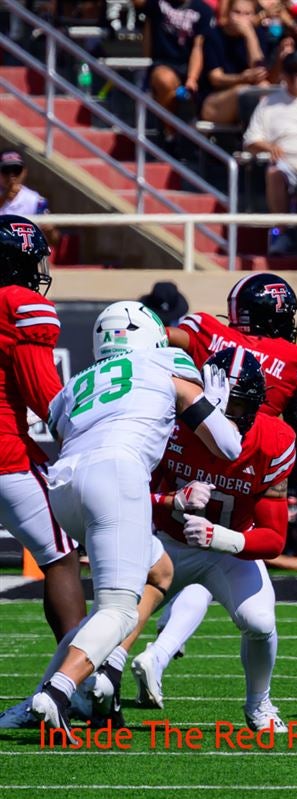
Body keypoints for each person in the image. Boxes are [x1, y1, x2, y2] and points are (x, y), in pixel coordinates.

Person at [29, 301, 243, 732]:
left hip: (65, 485)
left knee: (159, 570)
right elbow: (229, 447)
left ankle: (104, 677)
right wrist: (213, 405)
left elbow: (60, 429)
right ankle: (57, 692)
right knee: (120, 610)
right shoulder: (167, 361)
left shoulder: (76, 383)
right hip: (116, 474)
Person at [103, 348, 296, 732]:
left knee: (259, 622)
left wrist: (220, 537)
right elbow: (127, 493)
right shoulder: (168, 424)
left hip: (225, 550)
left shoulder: (273, 439)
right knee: (112, 615)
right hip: (166, 545)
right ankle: (70, 689)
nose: (231, 416)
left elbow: (274, 539)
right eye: (225, 405)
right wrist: (173, 501)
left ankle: (259, 703)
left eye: (241, 406)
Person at [0, 217, 86, 730]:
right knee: (60, 556)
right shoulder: (19, 303)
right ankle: (82, 678)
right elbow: (42, 393)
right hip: (6, 455)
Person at [170, 273, 297, 451]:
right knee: (282, 437)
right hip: (248, 457)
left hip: (188, 446)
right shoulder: (296, 361)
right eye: (285, 318)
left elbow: (160, 333)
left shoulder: (204, 331)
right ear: (270, 321)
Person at [242, 49, 297, 256]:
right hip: (287, 163)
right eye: (291, 71)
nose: (296, 77)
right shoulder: (269, 103)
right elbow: (250, 140)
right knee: (274, 173)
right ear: (283, 73)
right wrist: (268, 147)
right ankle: (280, 232)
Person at [135, 0, 214, 122]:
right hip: (163, 63)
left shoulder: (203, 10)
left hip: (191, 67)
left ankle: (184, 131)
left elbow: (198, 46)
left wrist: (192, 78)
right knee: (165, 80)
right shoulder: (157, 4)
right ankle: (169, 134)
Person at [199, 0, 273, 124]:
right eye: (237, 12)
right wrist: (242, 78)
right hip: (214, 101)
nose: (241, 18)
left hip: (247, 92)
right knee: (244, 92)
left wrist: (249, 35)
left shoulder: (257, 34)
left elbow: (259, 70)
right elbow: (215, 78)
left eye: (247, 14)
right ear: (228, 13)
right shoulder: (213, 35)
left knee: (264, 87)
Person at [0, 152, 59, 248]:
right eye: (6, 170)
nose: (12, 176)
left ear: (24, 172)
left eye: (16, 170)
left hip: (25, 257)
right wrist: (4, 197)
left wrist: (50, 230)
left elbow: (54, 241)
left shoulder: (36, 201)